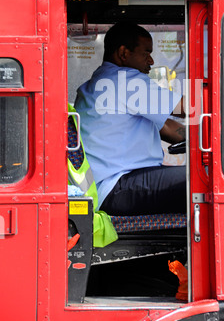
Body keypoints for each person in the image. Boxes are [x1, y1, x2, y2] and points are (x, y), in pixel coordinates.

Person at [75, 21, 186, 216]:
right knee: (203, 178)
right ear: (124, 53)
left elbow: (168, 128)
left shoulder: (98, 84)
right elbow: (189, 108)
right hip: (117, 185)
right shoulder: (125, 80)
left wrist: (205, 135)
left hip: (106, 188)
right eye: (146, 53)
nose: (151, 61)